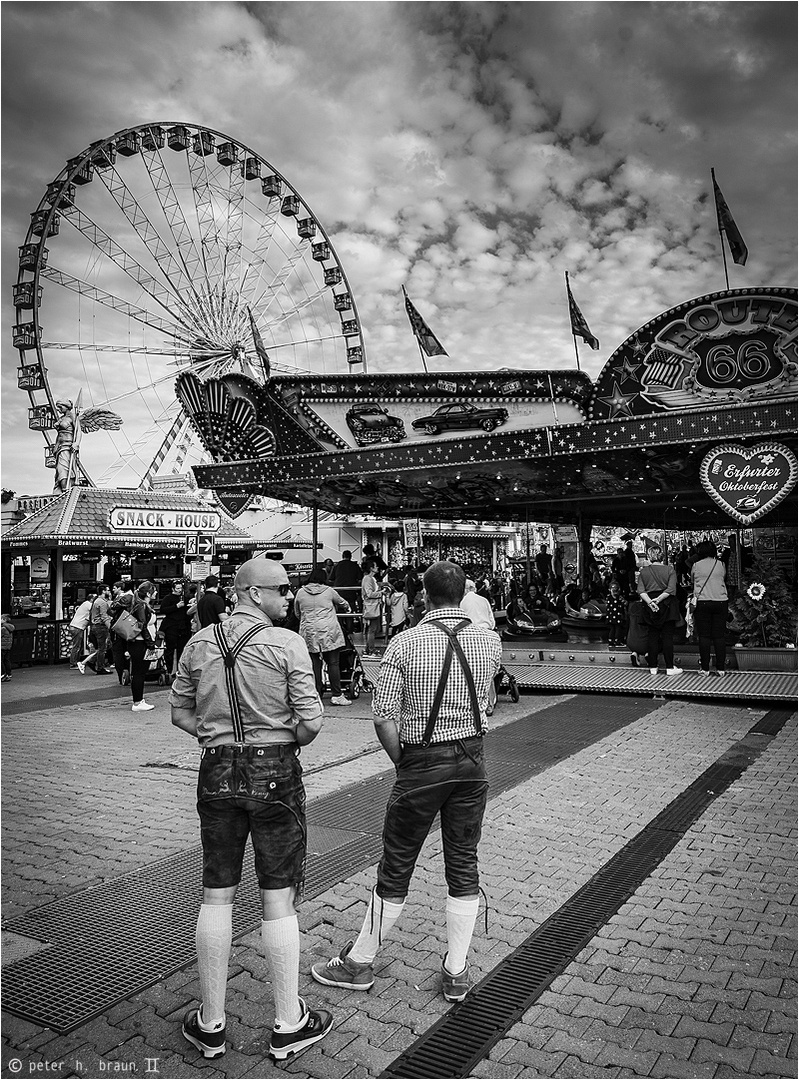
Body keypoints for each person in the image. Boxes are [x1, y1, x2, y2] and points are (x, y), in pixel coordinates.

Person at [312, 561, 502, 1003]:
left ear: (424, 594)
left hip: (420, 763)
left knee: (397, 863)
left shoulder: (404, 643)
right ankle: (456, 971)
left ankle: (359, 962)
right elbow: (488, 699)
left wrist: (406, 762)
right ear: (464, 593)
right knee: (463, 862)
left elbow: (383, 715)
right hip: (473, 764)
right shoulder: (489, 641)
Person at [169, 557, 333, 1061]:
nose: (290, 598)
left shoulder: (198, 644)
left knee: (216, 892)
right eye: (282, 590)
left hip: (216, 771)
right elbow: (312, 720)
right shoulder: (286, 644)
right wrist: (285, 740)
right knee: (278, 896)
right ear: (253, 592)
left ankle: (211, 1024)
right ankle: (288, 1023)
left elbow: (179, 711)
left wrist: (215, 736)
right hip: (276, 772)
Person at [293, 565, 352, 706]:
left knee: (314, 665)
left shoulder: (300, 592)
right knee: (333, 663)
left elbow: (297, 612)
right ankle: (337, 695)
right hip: (328, 631)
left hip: (309, 631)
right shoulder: (329, 591)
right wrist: (347, 608)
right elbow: (343, 603)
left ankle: (316, 694)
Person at [637, 556, 682, 676]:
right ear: (661, 556)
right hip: (667, 604)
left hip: (649, 605)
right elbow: (671, 589)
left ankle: (653, 666)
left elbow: (641, 591)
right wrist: (659, 599)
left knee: (652, 636)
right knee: (667, 637)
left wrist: (650, 602)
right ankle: (669, 667)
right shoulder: (670, 570)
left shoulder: (643, 571)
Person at [690, 540, 728, 677]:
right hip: (721, 601)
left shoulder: (696, 565)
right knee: (719, 636)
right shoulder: (721, 564)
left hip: (703, 601)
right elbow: (723, 578)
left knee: (704, 636)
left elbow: (693, 580)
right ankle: (721, 668)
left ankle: (705, 668)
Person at [128, 582, 158, 711]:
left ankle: (139, 700)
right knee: (139, 673)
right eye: (154, 590)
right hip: (141, 643)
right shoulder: (141, 606)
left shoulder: (140, 605)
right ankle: (137, 702)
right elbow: (142, 626)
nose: (156, 593)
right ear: (148, 593)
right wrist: (150, 643)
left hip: (138, 643)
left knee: (139, 672)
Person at [79, 586, 114, 674]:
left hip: (94, 626)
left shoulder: (96, 601)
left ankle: (91, 662)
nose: (109, 592)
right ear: (103, 591)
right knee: (102, 648)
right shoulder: (102, 602)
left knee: (99, 648)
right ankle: (100, 668)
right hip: (100, 627)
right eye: (108, 590)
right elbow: (104, 616)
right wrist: (111, 627)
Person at [160, 581, 191, 677]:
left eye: (180, 588)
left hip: (183, 627)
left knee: (182, 650)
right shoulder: (168, 598)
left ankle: (180, 669)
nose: (179, 590)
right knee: (170, 649)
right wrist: (176, 606)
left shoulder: (185, 598)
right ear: (173, 589)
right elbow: (163, 610)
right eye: (177, 588)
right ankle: (169, 670)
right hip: (171, 627)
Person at [109, 581, 135, 685]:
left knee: (118, 653)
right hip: (129, 629)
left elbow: (112, 609)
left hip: (119, 628)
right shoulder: (134, 598)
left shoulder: (123, 598)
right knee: (127, 652)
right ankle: (128, 673)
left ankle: (122, 676)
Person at [52, 400, 77, 493]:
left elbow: (78, 431)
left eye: (60, 407)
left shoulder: (73, 417)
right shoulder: (62, 418)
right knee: (59, 470)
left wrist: (76, 443)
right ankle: (63, 490)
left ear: (66, 406)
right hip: (59, 446)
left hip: (67, 446)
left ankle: (65, 490)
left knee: (62, 469)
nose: (58, 409)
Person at [360, 559, 382, 654]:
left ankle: (369, 648)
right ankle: (371, 649)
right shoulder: (368, 579)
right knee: (372, 629)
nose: (377, 567)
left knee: (372, 628)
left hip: (372, 605)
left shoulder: (370, 578)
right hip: (371, 606)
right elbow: (369, 594)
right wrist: (381, 593)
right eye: (375, 566)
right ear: (371, 568)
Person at [68, 594, 95, 668]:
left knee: (78, 646)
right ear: (92, 599)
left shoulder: (84, 604)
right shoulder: (89, 604)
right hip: (77, 627)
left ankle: (76, 662)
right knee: (77, 646)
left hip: (75, 626)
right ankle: (73, 664)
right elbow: (95, 611)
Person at [605, 580, 627, 649]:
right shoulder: (615, 597)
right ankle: (616, 641)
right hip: (616, 616)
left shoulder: (610, 597)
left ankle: (612, 641)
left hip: (613, 616)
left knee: (614, 629)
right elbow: (625, 603)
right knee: (616, 628)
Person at [1, 613, 15, 681]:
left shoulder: (3, 628)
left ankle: (3, 674)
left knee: (1, 661)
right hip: (7, 646)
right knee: (6, 660)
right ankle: (9, 673)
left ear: (4, 620)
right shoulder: (10, 628)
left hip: (1, 646)